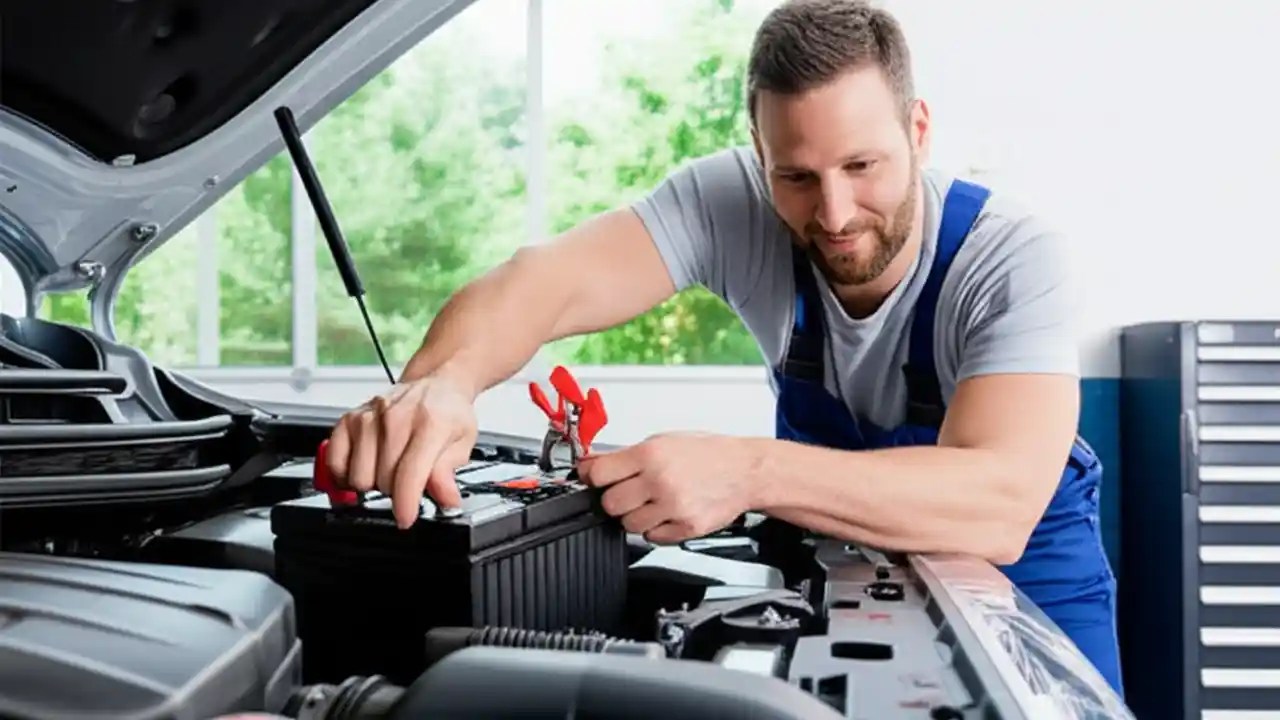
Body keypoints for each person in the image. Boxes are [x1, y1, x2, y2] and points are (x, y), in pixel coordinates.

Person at [322, 0, 1123, 696]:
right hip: (845, 559)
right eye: (796, 176)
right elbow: (544, 282)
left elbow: (1000, 503)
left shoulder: (1012, 259)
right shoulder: (730, 202)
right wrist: (445, 383)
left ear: (918, 130)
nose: (835, 212)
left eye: (862, 165)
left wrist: (746, 470)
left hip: (1028, 577)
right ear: (757, 149)